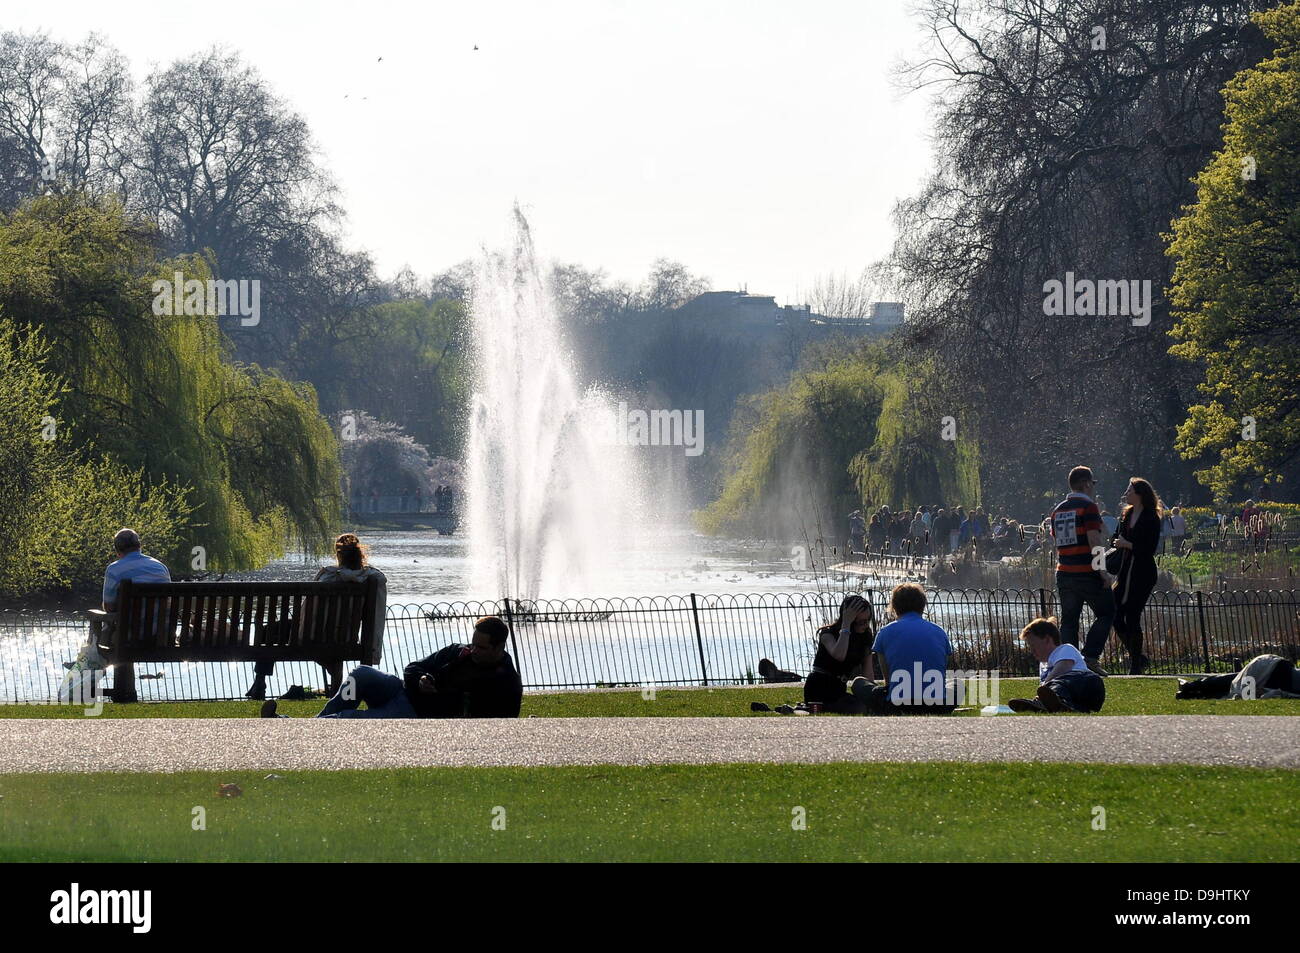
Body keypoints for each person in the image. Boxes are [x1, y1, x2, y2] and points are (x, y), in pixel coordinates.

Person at [262, 616, 522, 718]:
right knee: (361, 674)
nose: (473, 650)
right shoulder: (458, 652)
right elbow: (413, 667)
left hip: (415, 711)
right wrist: (421, 678)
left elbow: (499, 721)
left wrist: (440, 695)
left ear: (499, 647)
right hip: (402, 691)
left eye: (481, 647)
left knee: (349, 718)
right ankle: (316, 723)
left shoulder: (504, 682)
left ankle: (292, 726)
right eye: (473, 644)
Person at [246, 533, 389, 701]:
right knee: (330, 656)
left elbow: (308, 610)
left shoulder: (328, 576)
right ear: (360, 555)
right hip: (344, 637)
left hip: (312, 634)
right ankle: (336, 691)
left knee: (268, 632)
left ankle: (259, 683)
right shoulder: (369, 579)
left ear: (339, 555)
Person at [849, 583, 954, 715]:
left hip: (898, 705)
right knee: (956, 685)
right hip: (936, 705)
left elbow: (888, 680)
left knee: (858, 683)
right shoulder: (940, 632)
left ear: (895, 606)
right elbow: (942, 669)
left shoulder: (885, 633)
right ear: (922, 605)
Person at [1049, 466, 1113, 673]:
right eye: (1092, 483)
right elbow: (1094, 540)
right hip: (1086, 572)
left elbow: (1056, 541)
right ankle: (1091, 657)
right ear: (1086, 484)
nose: (1093, 488)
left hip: (1064, 571)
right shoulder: (1089, 507)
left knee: (1069, 621)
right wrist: (1102, 571)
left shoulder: (1058, 510)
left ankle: (1070, 665)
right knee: (1107, 612)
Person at [1110, 478, 1161, 675]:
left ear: (1140, 494)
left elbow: (1149, 549)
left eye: (1129, 490)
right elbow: (1114, 538)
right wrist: (1117, 542)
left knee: (1132, 616)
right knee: (1115, 614)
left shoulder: (1151, 518)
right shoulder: (1126, 515)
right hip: (1124, 572)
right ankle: (1137, 656)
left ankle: (1135, 666)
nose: (1126, 494)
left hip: (1142, 573)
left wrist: (1127, 544)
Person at [1007, 617, 1105, 712]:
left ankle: (1043, 703)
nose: (1032, 650)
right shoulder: (1044, 665)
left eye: (1033, 645)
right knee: (1062, 693)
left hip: (1089, 685)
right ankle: (1065, 707)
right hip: (1079, 699)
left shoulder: (1065, 649)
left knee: (1059, 683)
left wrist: (1044, 689)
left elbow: (1062, 668)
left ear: (1047, 639)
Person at [802, 594, 876, 713]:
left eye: (868, 620)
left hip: (839, 689)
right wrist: (846, 624)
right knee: (859, 708)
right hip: (819, 688)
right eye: (861, 622)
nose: (866, 625)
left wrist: (871, 694)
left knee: (868, 707)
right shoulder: (828, 634)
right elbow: (839, 655)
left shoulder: (865, 637)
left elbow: (868, 673)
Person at [103, 528, 171, 612]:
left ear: (117, 550)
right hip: (160, 621)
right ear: (139, 546)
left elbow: (109, 607)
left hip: (129, 621)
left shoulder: (114, 569)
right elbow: (168, 602)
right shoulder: (160, 567)